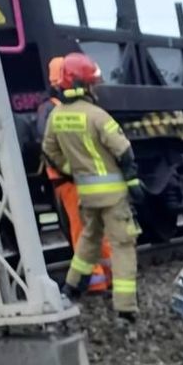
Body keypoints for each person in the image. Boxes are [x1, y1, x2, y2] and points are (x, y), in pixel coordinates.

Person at [41, 53, 141, 320]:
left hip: (86, 195)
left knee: (89, 239)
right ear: (84, 84)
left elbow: (49, 151)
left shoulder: (56, 116)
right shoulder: (97, 115)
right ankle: (125, 307)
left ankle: (71, 287)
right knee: (122, 245)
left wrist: (72, 171)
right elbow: (124, 151)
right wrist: (133, 182)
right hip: (113, 196)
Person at [36, 57, 112, 295]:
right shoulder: (73, 109)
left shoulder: (52, 110)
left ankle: (98, 280)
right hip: (80, 179)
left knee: (86, 229)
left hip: (73, 180)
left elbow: (51, 149)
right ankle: (105, 278)